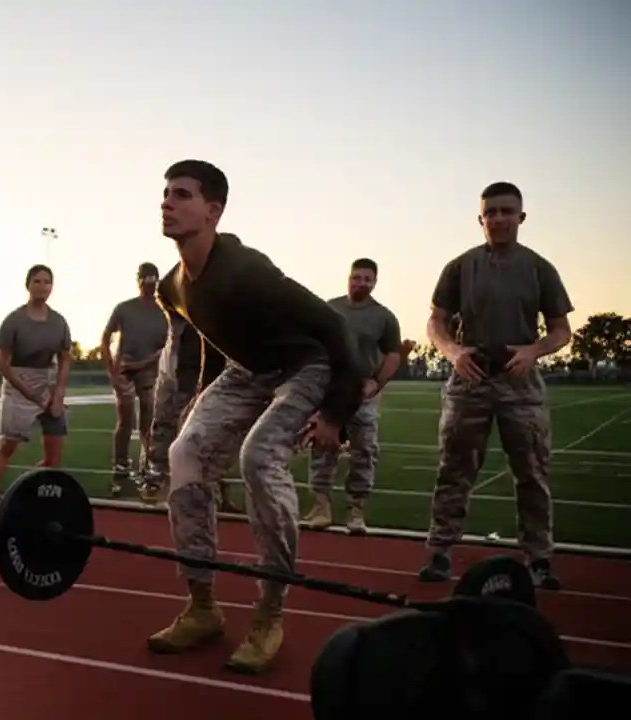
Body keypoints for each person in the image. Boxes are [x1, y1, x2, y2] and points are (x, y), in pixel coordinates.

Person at [145, 160, 364, 675]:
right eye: (165, 194)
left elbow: (337, 333)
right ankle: (202, 607)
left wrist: (336, 416)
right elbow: (210, 338)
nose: (167, 203)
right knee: (186, 453)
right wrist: (202, 400)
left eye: (181, 195)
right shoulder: (172, 288)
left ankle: (269, 614)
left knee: (259, 457)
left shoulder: (247, 269)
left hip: (306, 364)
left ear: (213, 211)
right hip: (248, 372)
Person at [418, 181, 572, 590]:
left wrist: (533, 351)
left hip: (520, 383)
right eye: (492, 212)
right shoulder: (460, 266)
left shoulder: (539, 268)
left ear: (521, 218)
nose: (500, 219)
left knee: (532, 472)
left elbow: (561, 330)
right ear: (480, 219)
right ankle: (439, 551)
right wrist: (453, 352)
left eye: (508, 211)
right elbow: (436, 322)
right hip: (470, 379)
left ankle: (539, 559)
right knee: (454, 468)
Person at [300, 258, 404, 535]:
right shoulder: (329, 308)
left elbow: (394, 354)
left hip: (362, 394)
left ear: (375, 282)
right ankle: (320, 506)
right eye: (357, 277)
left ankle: (356, 510)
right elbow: (311, 344)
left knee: (364, 451)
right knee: (322, 448)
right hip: (329, 390)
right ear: (349, 277)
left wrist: (377, 382)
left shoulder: (384, 317)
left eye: (367, 279)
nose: (361, 283)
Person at [0, 265, 74, 523]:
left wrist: (58, 394)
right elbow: (1, 360)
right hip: (19, 382)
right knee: (8, 444)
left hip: (47, 381)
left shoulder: (59, 322)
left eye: (47, 282)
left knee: (54, 454)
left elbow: (65, 358)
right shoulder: (14, 320)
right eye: (38, 281)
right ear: (28, 285)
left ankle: (31, 496)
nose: (43, 286)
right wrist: (29, 393)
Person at [139, 300, 244, 514]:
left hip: (206, 376)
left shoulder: (215, 312)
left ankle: (218, 494)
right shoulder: (178, 308)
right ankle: (164, 488)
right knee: (171, 436)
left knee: (213, 439)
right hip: (178, 378)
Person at [100, 262, 168, 497]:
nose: (149, 282)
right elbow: (106, 337)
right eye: (145, 277)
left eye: (153, 278)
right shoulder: (125, 308)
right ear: (138, 279)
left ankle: (148, 471)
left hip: (151, 373)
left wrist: (150, 363)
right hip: (125, 371)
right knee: (125, 418)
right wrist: (112, 370)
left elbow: (168, 347)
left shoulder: (165, 313)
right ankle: (120, 470)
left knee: (150, 422)